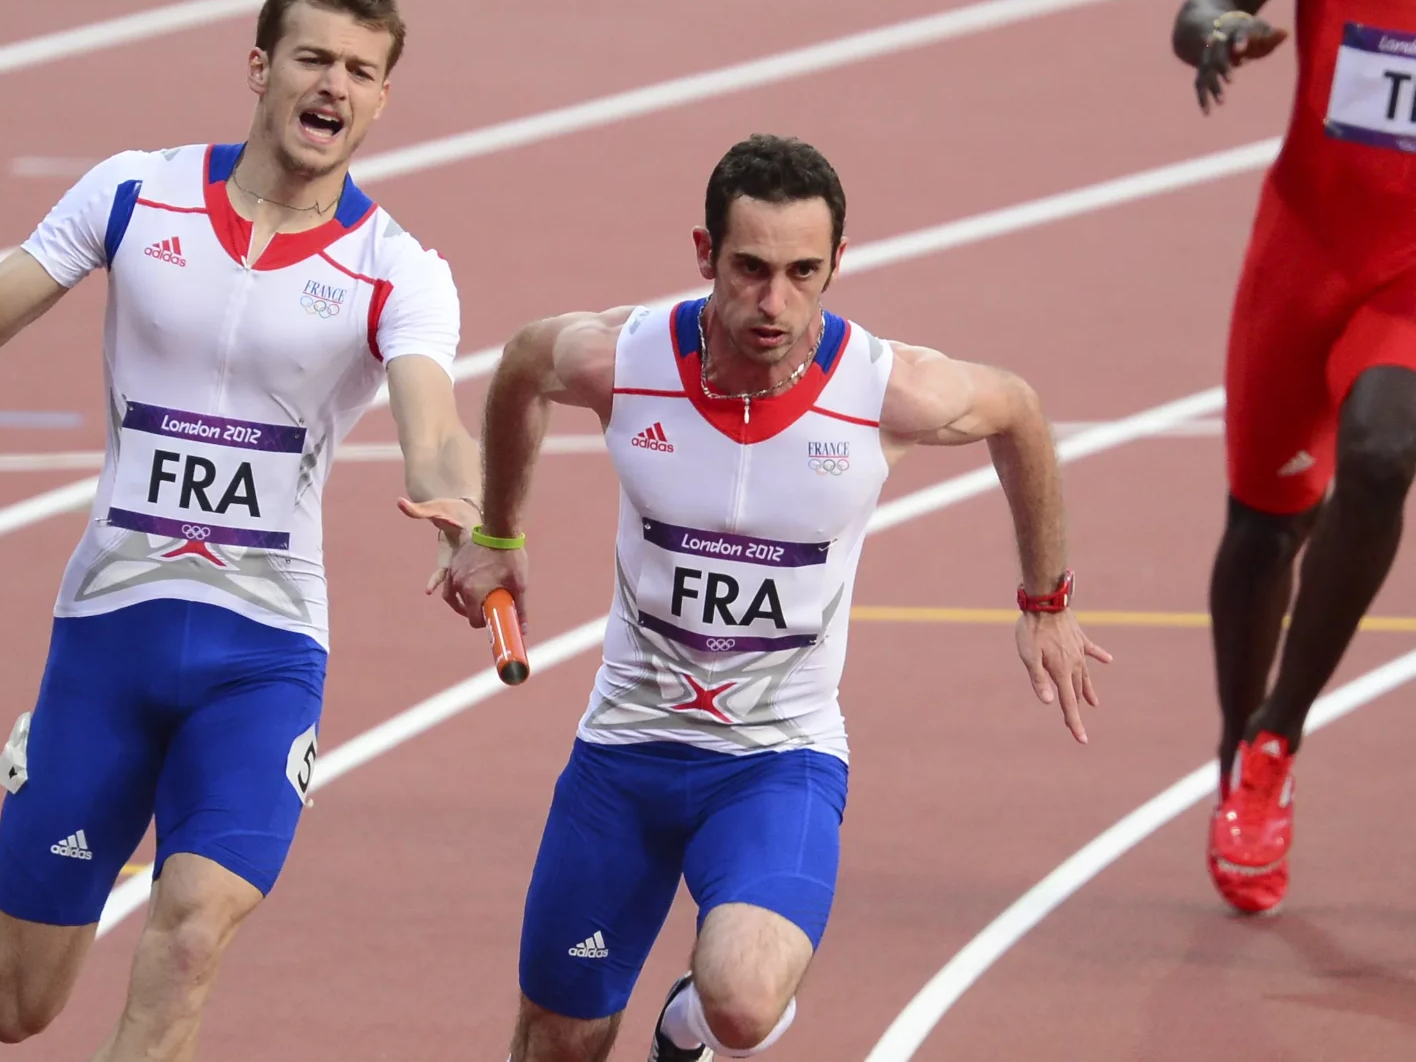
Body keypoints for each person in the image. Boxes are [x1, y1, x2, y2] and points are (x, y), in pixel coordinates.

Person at [0, 0, 477, 1058]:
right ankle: (42, 759)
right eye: (313, 58)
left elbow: (432, 420)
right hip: (105, 639)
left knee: (190, 928)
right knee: (14, 1002)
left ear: (383, 99)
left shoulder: (399, 270)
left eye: (360, 70)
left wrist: (464, 505)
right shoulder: (134, 195)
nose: (333, 85)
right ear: (259, 65)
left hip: (263, 650)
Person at [406, 135, 1108, 1061]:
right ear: (705, 255)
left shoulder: (881, 389)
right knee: (559, 1036)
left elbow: (1016, 409)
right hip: (627, 751)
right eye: (749, 269)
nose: (774, 302)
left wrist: (1045, 600)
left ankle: (682, 1029)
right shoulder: (628, 358)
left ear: (836, 266)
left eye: (802, 272)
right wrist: (498, 535)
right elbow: (526, 365)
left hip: (778, 760)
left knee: (742, 1001)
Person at [1172, 0, 1416, 914]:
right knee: (1261, 529)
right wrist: (1218, 25)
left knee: (1379, 448)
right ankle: (1237, 755)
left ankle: (1274, 739)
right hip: (1304, 251)